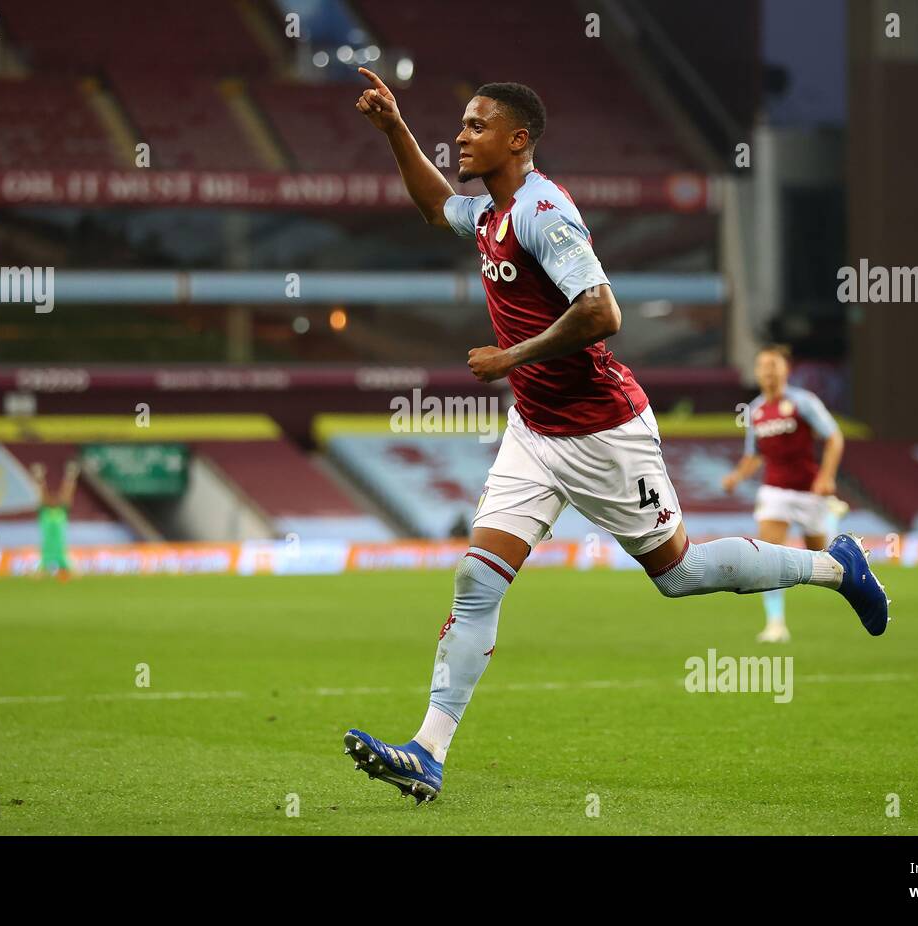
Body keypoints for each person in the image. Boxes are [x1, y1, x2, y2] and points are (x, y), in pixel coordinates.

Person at [343, 69, 889, 804]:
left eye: (475, 126)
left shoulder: (543, 211)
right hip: (535, 430)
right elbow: (435, 204)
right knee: (477, 578)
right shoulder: (491, 213)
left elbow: (603, 313)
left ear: (518, 139)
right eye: (460, 125)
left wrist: (510, 356)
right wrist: (394, 131)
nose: (462, 137)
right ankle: (428, 752)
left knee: (680, 574)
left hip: (604, 431)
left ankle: (837, 567)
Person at [722, 345, 847, 643]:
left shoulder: (803, 402)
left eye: (773, 365)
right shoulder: (754, 410)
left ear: (786, 370)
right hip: (774, 491)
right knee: (768, 556)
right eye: (762, 366)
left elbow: (834, 437)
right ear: (756, 373)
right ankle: (776, 624)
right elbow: (754, 455)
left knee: (827, 563)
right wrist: (737, 476)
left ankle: (831, 519)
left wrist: (826, 477)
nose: (768, 371)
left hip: (808, 491)